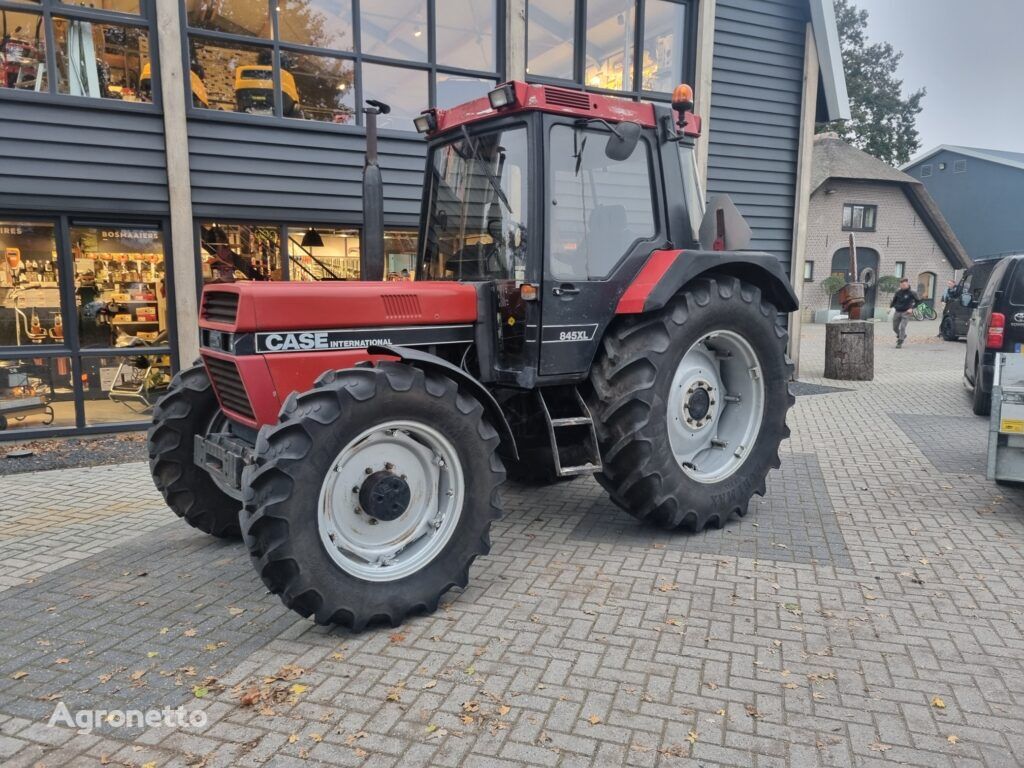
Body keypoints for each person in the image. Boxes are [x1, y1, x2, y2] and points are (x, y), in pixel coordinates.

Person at [890, 277, 920, 348]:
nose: (903, 286)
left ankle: (900, 342)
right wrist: (890, 307)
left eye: (904, 285)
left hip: (906, 312)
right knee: (894, 328)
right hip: (897, 312)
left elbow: (918, 301)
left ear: (907, 284)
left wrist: (912, 309)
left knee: (903, 327)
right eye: (901, 285)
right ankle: (903, 335)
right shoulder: (898, 292)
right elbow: (894, 301)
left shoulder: (912, 292)